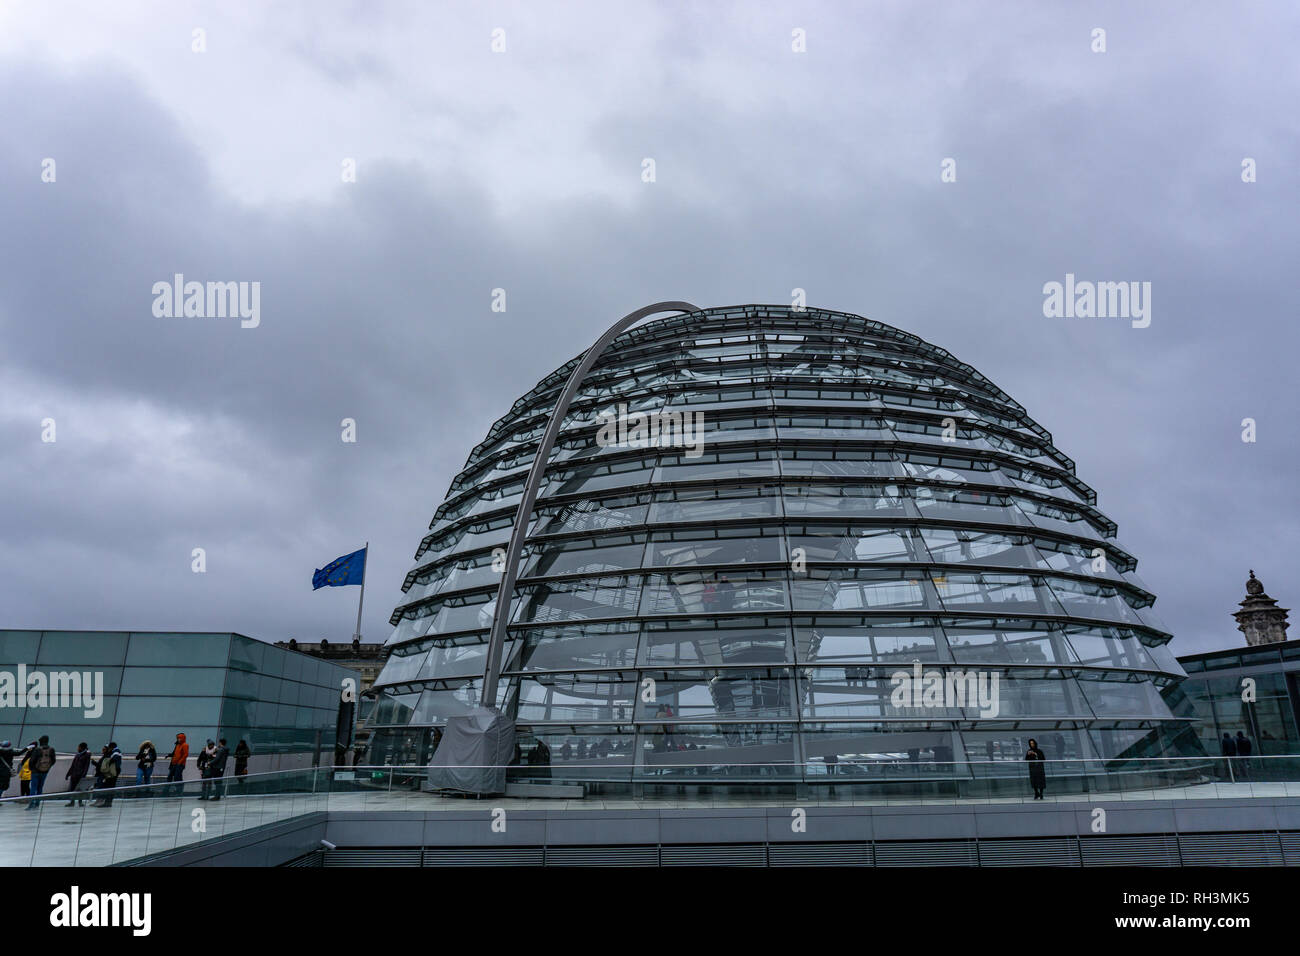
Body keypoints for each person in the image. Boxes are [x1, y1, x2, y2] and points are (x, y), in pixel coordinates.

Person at [25, 735, 57, 811]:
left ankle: (31, 804)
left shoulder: (37, 750)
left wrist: (32, 768)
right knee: (40, 788)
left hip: (35, 771)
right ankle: (37, 804)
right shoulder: (51, 749)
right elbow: (53, 760)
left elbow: (32, 760)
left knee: (33, 788)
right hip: (45, 771)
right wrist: (47, 767)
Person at [91, 743, 122, 807]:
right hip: (110, 772)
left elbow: (111, 762)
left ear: (110, 748)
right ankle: (106, 802)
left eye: (105, 749)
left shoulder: (115, 752)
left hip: (111, 773)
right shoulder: (112, 753)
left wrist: (107, 762)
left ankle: (107, 802)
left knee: (108, 786)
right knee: (107, 786)